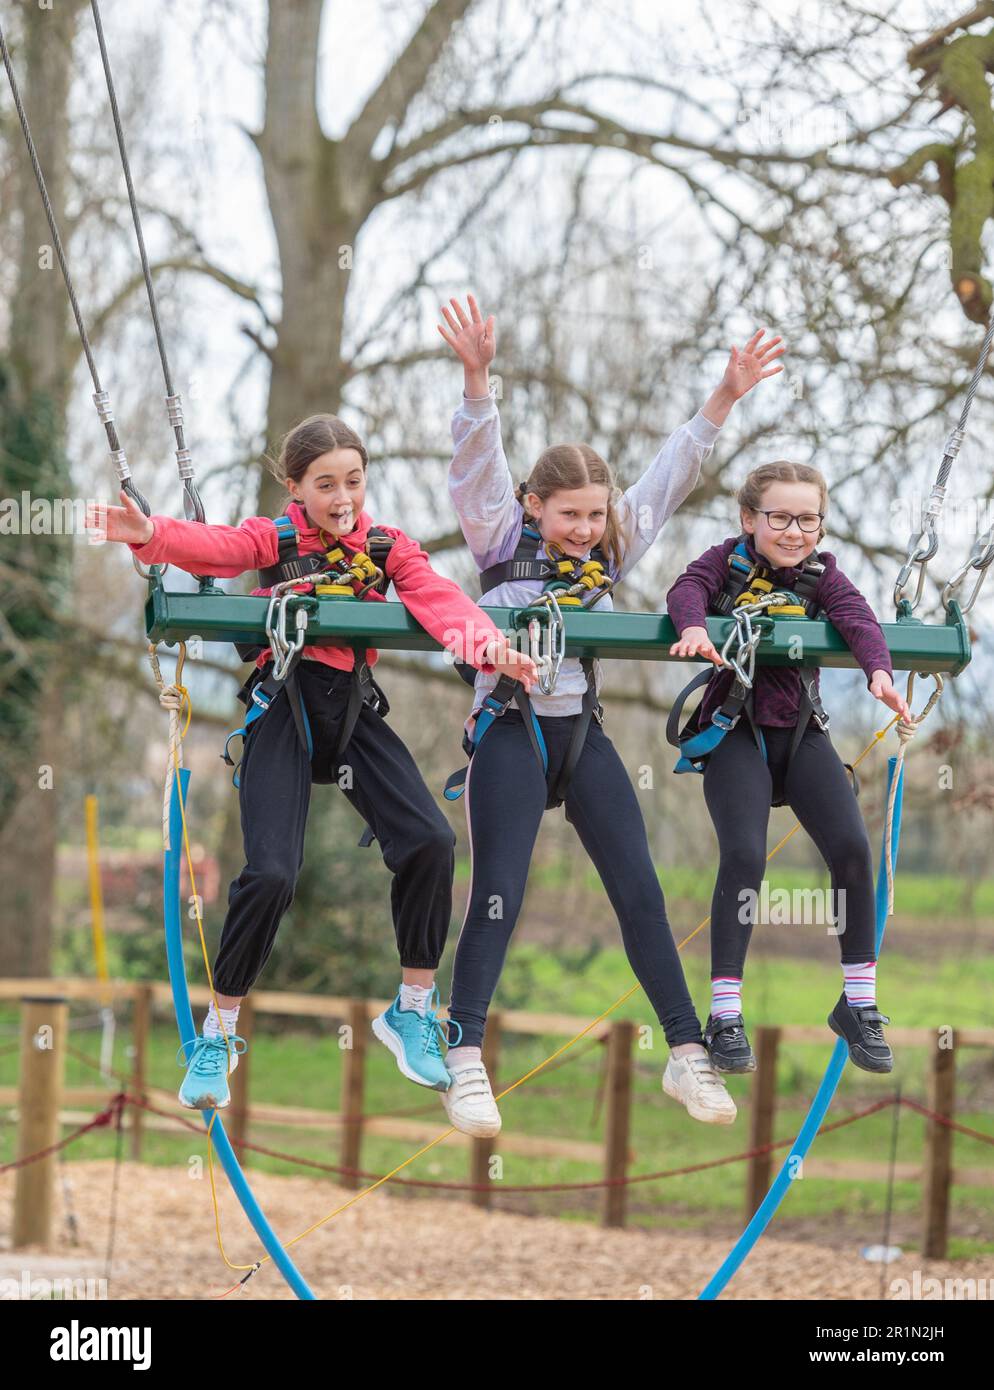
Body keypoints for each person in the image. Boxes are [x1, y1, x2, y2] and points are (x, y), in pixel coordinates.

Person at [88, 412, 536, 1108]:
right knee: (270, 874)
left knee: (430, 842)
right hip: (287, 706)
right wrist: (154, 537)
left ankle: (412, 1009)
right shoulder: (277, 538)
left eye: (353, 480)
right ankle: (221, 1030)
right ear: (295, 487)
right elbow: (219, 548)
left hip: (353, 711)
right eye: (325, 484)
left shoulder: (388, 548)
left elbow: (439, 600)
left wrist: (487, 646)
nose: (342, 496)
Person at [434, 294, 785, 1137]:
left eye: (595, 516)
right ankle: (464, 1055)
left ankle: (686, 1052)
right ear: (532, 508)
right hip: (512, 731)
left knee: (640, 890)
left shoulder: (614, 540)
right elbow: (477, 461)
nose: (586, 531)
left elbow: (671, 474)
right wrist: (478, 381)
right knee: (499, 893)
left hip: (580, 734)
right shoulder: (496, 537)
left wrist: (724, 398)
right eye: (569, 516)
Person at [666, 462, 913, 1075]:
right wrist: (695, 627)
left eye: (808, 519)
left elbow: (857, 618)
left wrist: (877, 671)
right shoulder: (724, 563)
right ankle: (725, 1012)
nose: (795, 531)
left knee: (852, 847)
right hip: (734, 732)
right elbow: (684, 590)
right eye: (780, 517)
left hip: (800, 732)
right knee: (745, 855)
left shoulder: (822, 575)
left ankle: (858, 1004)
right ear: (750, 519)